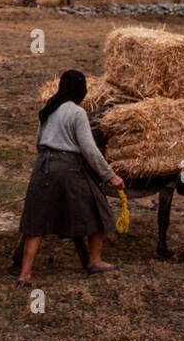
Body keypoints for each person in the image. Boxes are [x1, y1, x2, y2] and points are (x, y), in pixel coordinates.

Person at [16, 69, 125, 285]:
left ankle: (24, 275)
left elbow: (38, 142)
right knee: (99, 208)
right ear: (80, 90)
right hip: (69, 168)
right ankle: (95, 261)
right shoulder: (77, 113)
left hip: (42, 166)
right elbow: (89, 149)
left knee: (35, 222)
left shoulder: (47, 110)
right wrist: (110, 175)